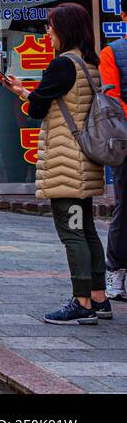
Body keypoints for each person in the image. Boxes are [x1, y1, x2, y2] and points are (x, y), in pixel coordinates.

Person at [0, 3, 110, 324]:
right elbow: (51, 101)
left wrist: (21, 93)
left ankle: (82, 303)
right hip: (84, 161)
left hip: (67, 162)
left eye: (50, 27)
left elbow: (36, 109)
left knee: (73, 232)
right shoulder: (91, 62)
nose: (47, 34)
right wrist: (24, 91)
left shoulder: (63, 65)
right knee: (87, 230)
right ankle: (99, 298)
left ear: (65, 29)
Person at [100, 33, 127, 301]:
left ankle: (116, 273)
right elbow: (113, 99)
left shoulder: (112, 52)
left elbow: (112, 99)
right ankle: (116, 270)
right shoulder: (113, 52)